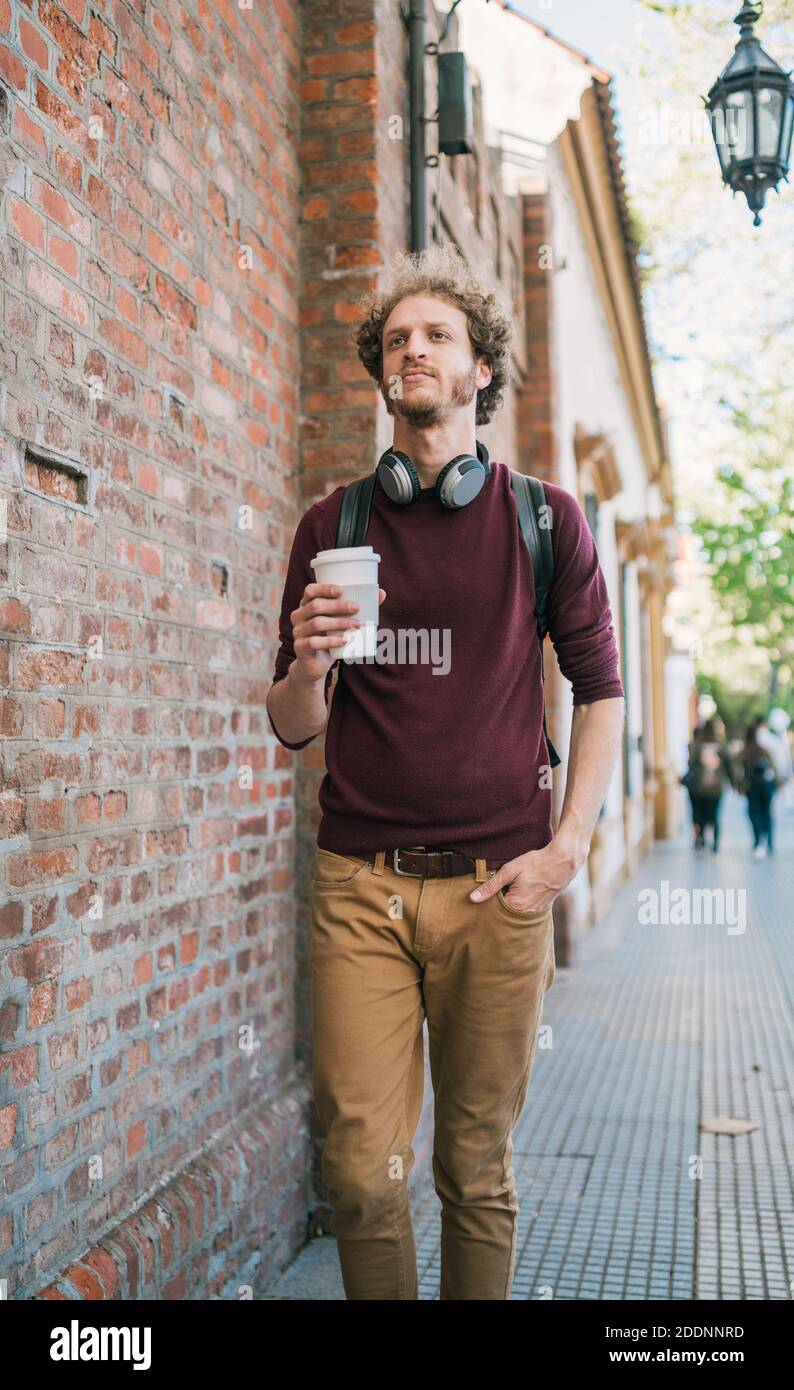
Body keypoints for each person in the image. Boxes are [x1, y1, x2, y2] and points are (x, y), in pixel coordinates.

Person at [265, 244, 625, 1300]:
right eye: (393, 341)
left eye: (435, 336)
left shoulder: (546, 520)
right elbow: (289, 726)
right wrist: (308, 660)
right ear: (379, 375)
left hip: (496, 887)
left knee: (472, 1169)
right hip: (357, 889)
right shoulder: (330, 526)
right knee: (360, 1175)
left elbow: (600, 690)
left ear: (478, 369)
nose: (409, 351)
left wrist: (565, 850)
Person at [685, 717, 733, 853]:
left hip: (699, 788)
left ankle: (701, 840)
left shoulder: (696, 745)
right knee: (715, 816)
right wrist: (734, 783)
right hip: (716, 788)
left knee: (700, 815)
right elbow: (730, 766)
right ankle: (716, 844)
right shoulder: (722, 746)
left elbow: (690, 764)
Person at [739, 723, 779, 858]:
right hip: (767, 786)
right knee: (767, 812)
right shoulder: (764, 750)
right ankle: (769, 842)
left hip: (752, 787)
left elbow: (738, 771)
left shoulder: (744, 752)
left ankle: (757, 841)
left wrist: (740, 786)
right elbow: (774, 768)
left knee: (754, 813)